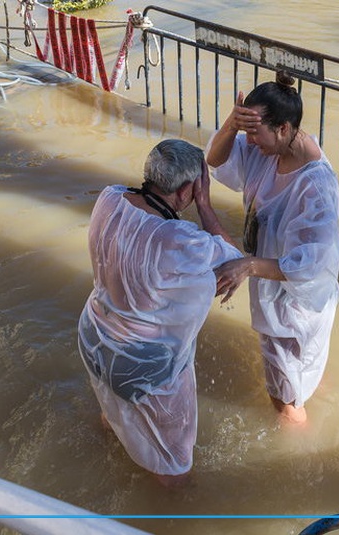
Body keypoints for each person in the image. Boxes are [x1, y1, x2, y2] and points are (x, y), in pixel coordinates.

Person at [77, 139, 240, 486]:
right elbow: (234, 260)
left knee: (116, 412)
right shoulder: (179, 239)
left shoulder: (109, 198)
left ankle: (105, 456)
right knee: (175, 466)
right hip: (142, 365)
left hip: (94, 337)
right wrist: (206, 205)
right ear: (187, 191)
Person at [206, 71, 339, 425]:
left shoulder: (315, 186)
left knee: (284, 403)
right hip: (279, 293)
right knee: (307, 370)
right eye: (246, 132)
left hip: (296, 303)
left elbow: (309, 264)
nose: (249, 142)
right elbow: (216, 160)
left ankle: (297, 463)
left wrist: (247, 266)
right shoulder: (268, 150)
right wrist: (230, 126)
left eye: (255, 132)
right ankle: (317, 400)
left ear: (283, 128)